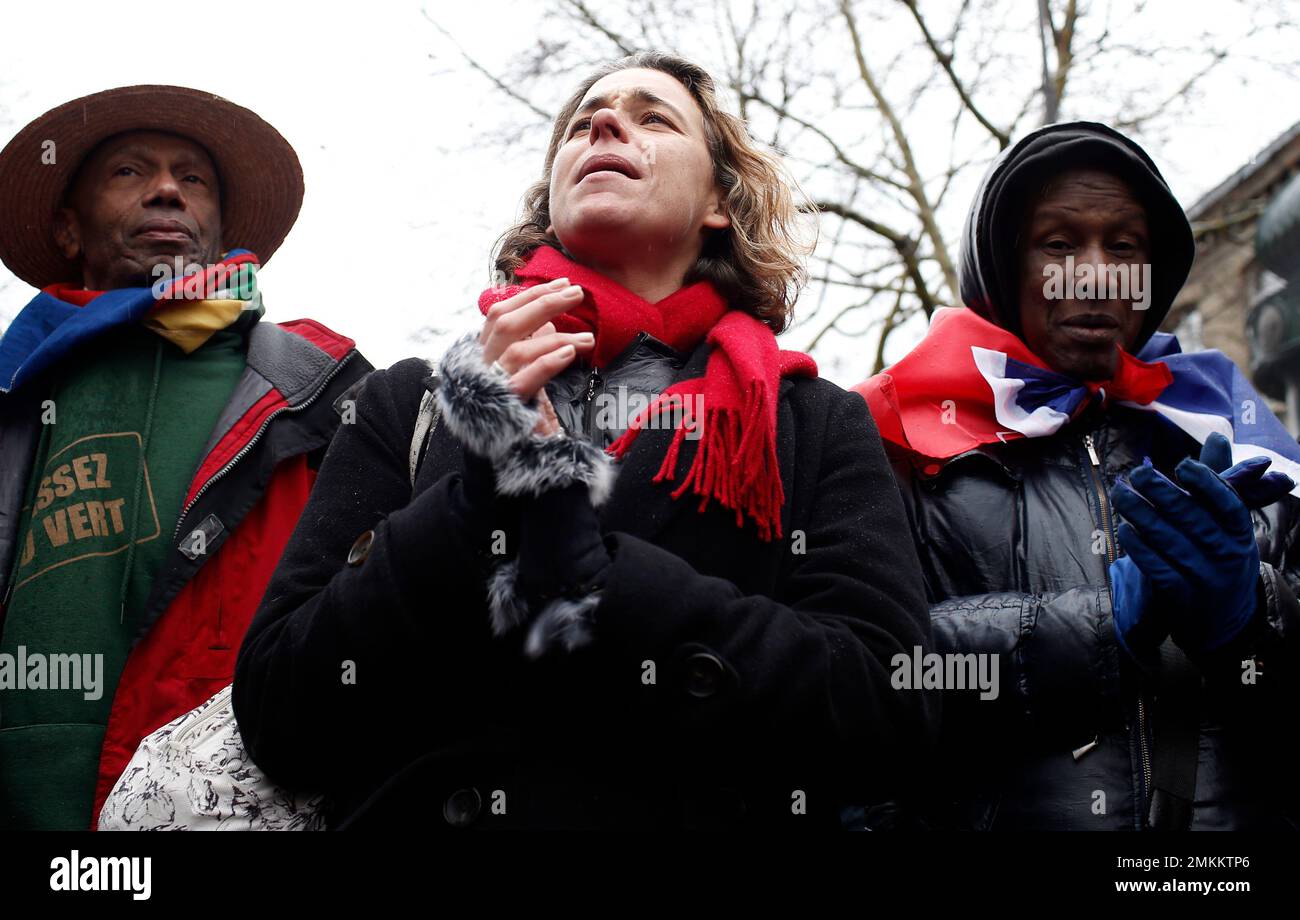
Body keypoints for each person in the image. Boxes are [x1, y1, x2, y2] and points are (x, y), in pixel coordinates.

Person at [233, 51, 939, 830]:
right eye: (583, 122)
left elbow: (889, 707)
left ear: (718, 204)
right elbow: (278, 714)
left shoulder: (810, 421)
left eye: (654, 118)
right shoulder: (409, 402)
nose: (604, 122)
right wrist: (471, 508)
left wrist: (610, 582)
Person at [855, 121, 1300, 830]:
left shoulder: (1240, 438)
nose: (1094, 272)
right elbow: (868, 670)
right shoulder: (894, 436)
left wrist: (1252, 616)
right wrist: (1103, 630)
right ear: (1004, 265)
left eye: (1124, 247)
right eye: (1058, 243)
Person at [0, 85, 371, 830]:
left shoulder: (320, 386)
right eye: (130, 172)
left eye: (192, 178)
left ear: (222, 226)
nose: (167, 189)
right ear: (69, 230)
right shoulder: (14, 391)